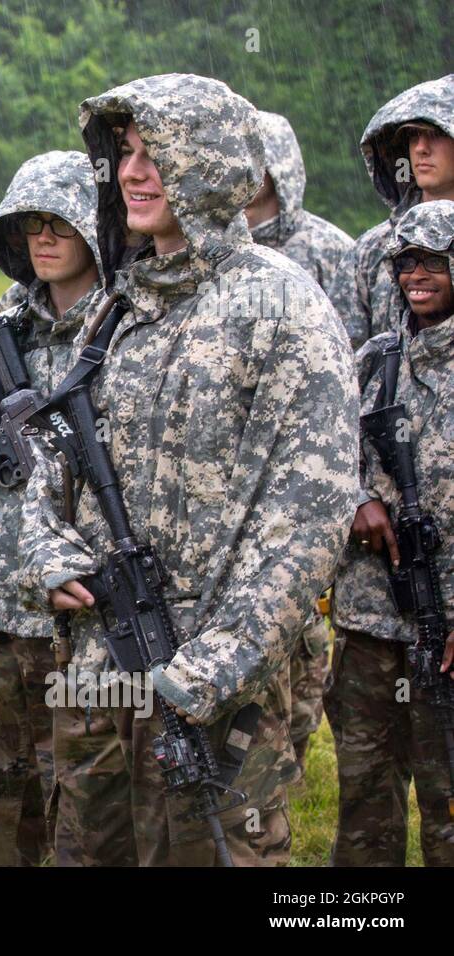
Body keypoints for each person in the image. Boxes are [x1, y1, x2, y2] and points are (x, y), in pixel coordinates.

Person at [17, 73, 359, 866]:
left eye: (155, 152)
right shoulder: (118, 305)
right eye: (124, 153)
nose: (132, 171)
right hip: (101, 672)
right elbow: (53, 451)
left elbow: (310, 510)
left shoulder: (281, 304)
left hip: (221, 688)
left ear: (207, 164)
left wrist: (210, 669)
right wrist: (49, 555)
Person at [0, 150, 104, 866]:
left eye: (60, 220)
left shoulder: (125, 326)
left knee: (82, 793)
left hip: (84, 610)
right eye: (31, 223)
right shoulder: (8, 320)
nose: (44, 236)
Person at [327, 198, 454, 867]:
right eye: (406, 263)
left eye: (433, 261)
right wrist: (354, 499)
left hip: (448, 628)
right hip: (369, 619)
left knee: (449, 802)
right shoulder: (372, 360)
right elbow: (315, 447)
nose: (416, 276)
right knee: (366, 803)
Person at [245, 109, 353, 774]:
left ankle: (289, 752)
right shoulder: (203, 251)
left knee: (301, 626)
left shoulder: (330, 253)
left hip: (310, 475)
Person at [329, 75, 454, 350]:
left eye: (436, 134)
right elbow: (341, 357)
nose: (421, 148)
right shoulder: (371, 252)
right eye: (413, 136)